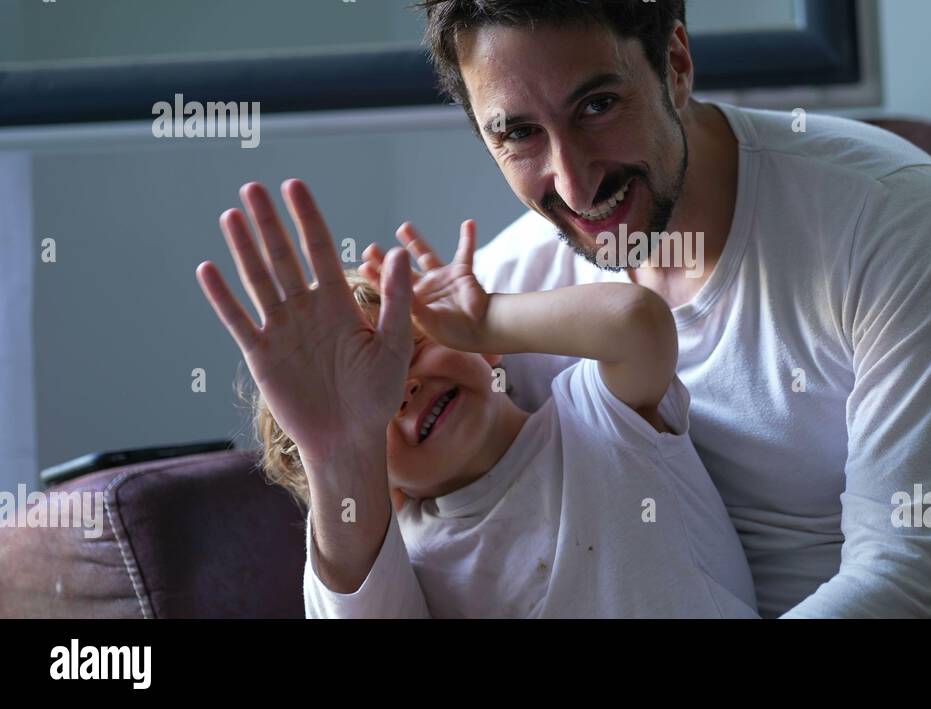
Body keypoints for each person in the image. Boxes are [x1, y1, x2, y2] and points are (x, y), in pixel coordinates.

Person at [412, 0, 931, 617]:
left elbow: (913, 568)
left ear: (676, 64)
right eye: (519, 134)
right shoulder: (510, 293)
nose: (575, 179)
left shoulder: (886, 214)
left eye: (597, 105)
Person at [196, 180, 757, 618]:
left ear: (486, 354)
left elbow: (637, 322)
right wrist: (341, 452)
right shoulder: (409, 559)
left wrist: (488, 319)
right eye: (376, 405)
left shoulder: (594, 419)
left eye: (409, 353)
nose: (403, 391)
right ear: (383, 492)